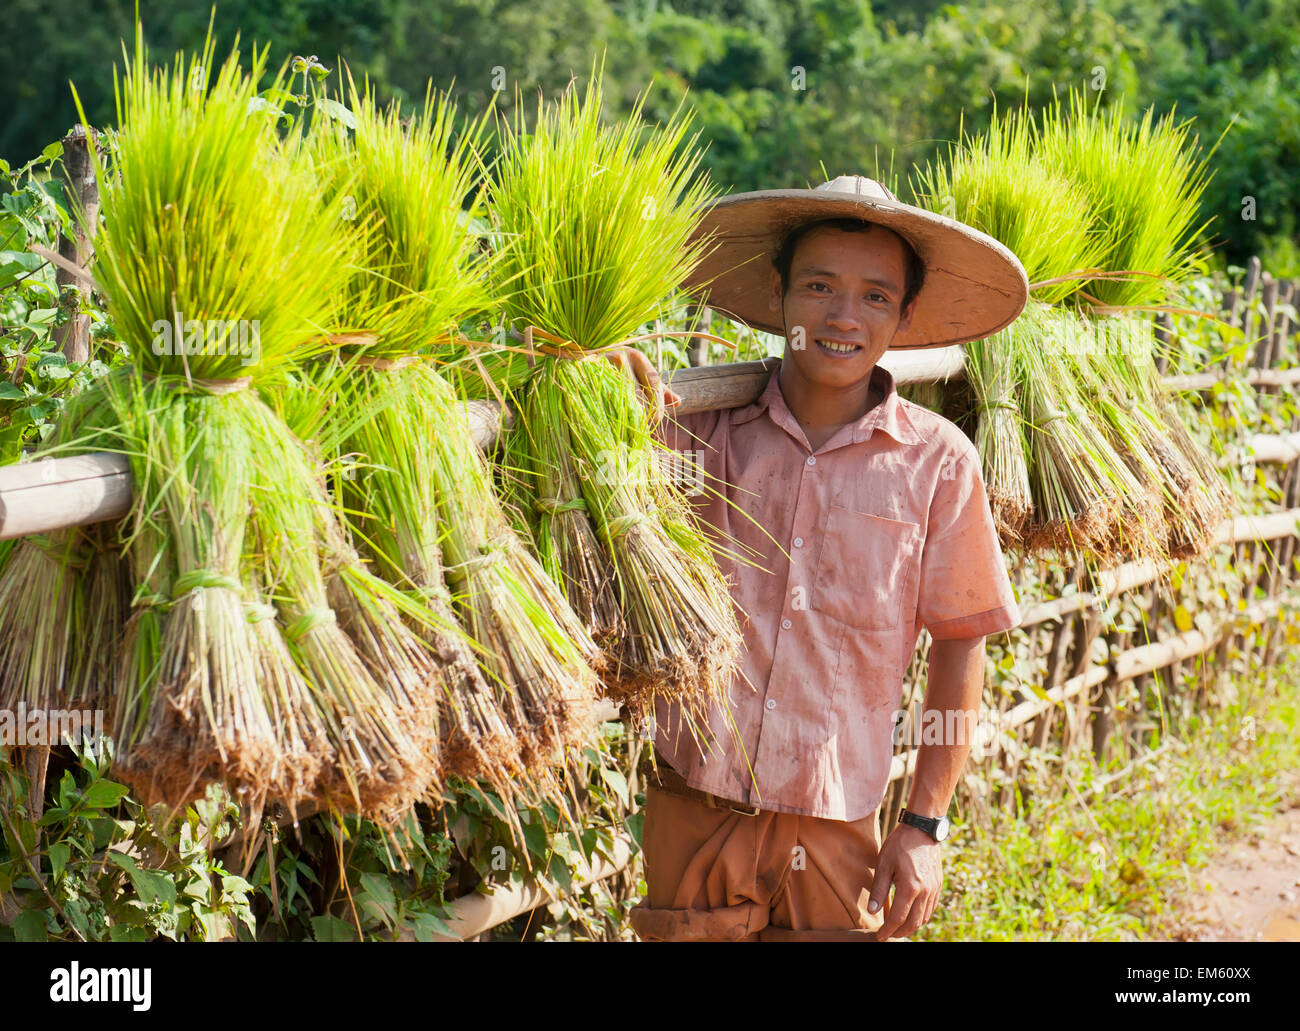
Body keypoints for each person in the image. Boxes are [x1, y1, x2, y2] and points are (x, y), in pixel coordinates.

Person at [606, 175, 1028, 942]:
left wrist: (924, 824)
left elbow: (961, 642)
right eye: (819, 286)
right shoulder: (697, 435)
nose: (842, 316)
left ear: (903, 317)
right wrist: (605, 394)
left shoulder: (937, 464)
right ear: (779, 295)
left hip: (837, 825)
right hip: (694, 802)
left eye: (874, 297)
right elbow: (601, 509)